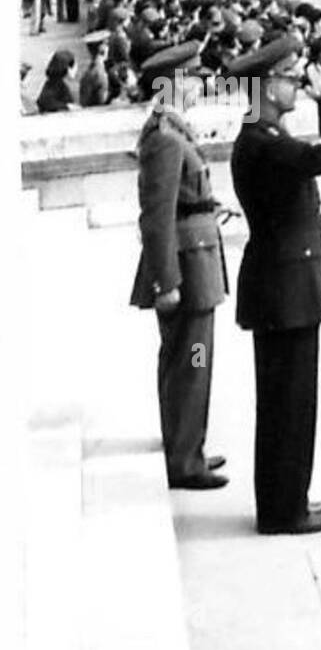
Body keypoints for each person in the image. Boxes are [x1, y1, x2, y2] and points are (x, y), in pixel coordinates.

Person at [229, 35, 321, 535]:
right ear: (263, 87)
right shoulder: (266, 144)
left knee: (290, 403)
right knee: (289, 404)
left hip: (285, 286)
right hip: (284, 290)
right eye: (288, 78)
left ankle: (287, 499)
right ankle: (284, 509)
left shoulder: (264, 137)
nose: (296, 85)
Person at [128, 42, 229, 489]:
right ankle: (186, 459)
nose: (199, 84)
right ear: (172, 84)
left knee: (185, 359)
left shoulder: (170, 129)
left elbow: (181, 197)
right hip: (188, 269)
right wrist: (166, 281)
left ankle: (187, 445)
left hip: (194, 258)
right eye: (191, 78)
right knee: (193, 359)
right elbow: (157, 216)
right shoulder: (166, 138)